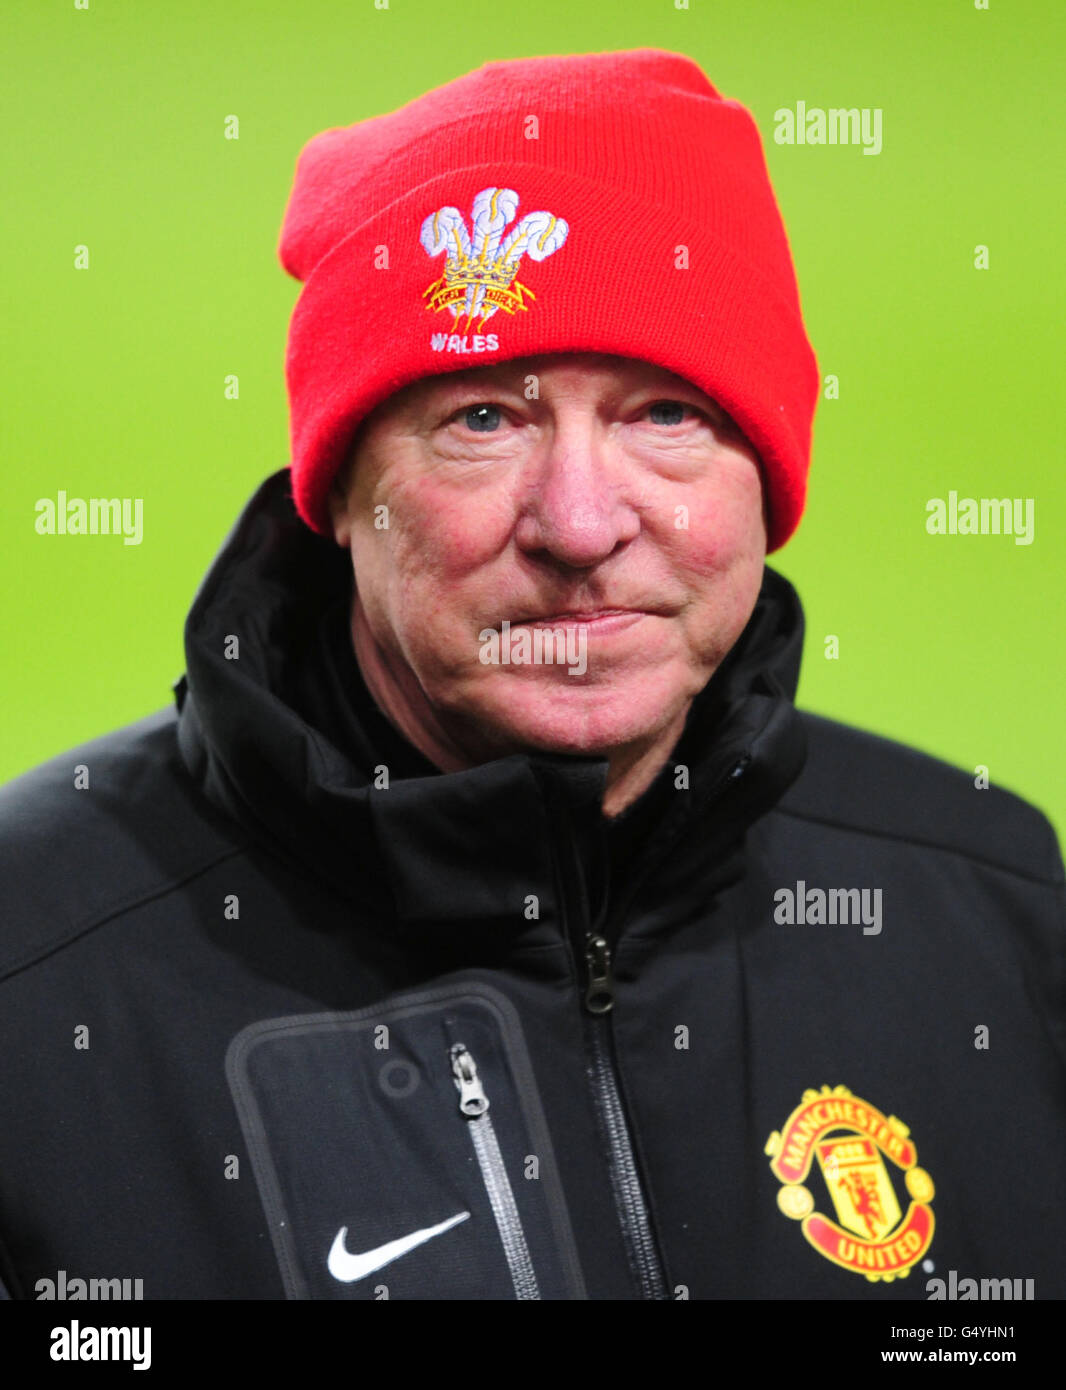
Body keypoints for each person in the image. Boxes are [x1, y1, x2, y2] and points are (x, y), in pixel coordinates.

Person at [1, 48, 1063, 1304]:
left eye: (665, 414)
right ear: (342, 492)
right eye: (485, 421)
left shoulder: (994, 901)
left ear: (765, 483)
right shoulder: (34, 958)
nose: (578, 522)